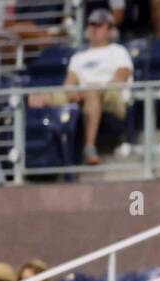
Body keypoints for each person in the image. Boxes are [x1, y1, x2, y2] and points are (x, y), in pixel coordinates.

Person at [29, 9, 131, 166]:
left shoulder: (119, 51)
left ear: (110, 30)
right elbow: (68, 84)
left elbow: (120, 79)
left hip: (112, 97)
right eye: (91, 24)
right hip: (83, 94)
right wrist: (73, 93)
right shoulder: (78, 57)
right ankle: (35, 151)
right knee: (35, 97)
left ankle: (89, 146)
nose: (94, 28)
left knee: (91, 92)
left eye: (99, 25)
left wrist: (91, 90)